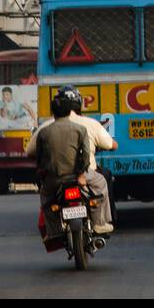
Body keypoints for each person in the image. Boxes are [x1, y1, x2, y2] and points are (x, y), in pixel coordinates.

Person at [28, 86, 113, 234]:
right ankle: (99, 223)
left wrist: (44, 175)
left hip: (54, 178)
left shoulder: (44, 130)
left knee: (46, 199)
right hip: (82, 176)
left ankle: (53, 231)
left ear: (53, 111)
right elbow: (86, 154)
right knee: (102, 183)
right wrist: (81, 175)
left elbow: (35, 155)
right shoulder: (82, 128)